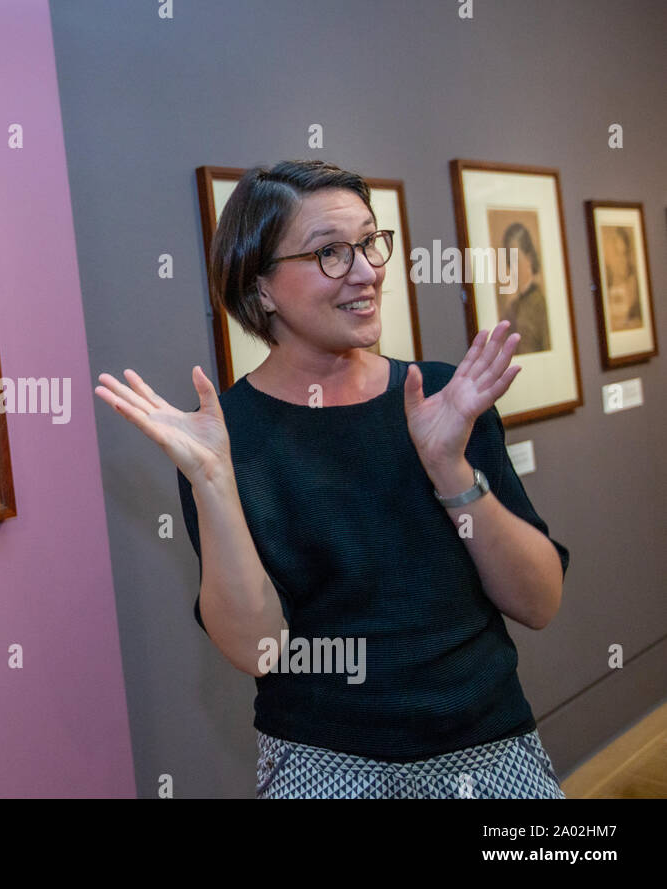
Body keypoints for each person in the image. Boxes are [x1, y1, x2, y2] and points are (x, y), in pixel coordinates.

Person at [94, 160, 569, 798]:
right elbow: (258, 651)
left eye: (370, 244)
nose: (368, 271)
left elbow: (539, 601)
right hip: (324, 766)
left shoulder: (441, 396)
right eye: (330, 253)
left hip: (491, 751)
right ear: (261, 288)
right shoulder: (222, 437)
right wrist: (212, 478)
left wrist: (448, 466)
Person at [498, 222, 551, 353]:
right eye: (509, 262)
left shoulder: (541, 305)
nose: (512, 269)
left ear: (530, 258)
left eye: (515, 260)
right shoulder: (512, 308)